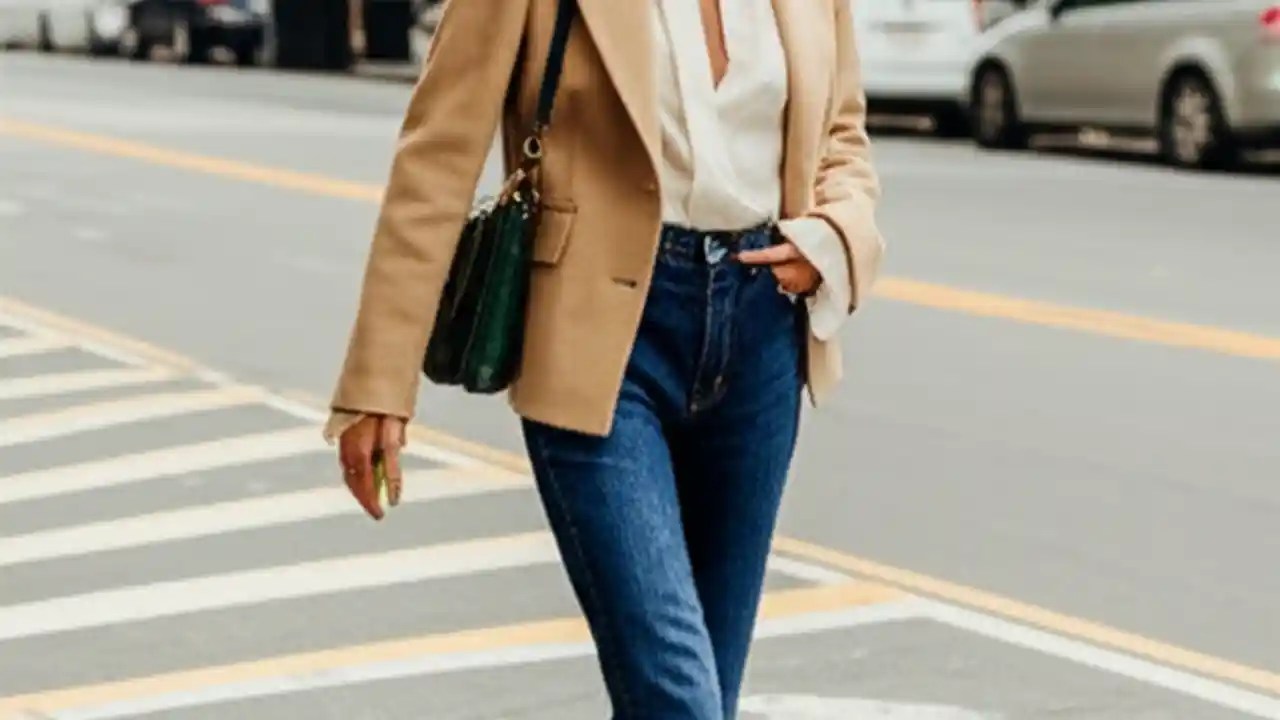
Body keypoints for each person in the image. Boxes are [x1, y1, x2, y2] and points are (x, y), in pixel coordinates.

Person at [326, 0, 883, 715]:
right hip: (600, 343)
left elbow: (841, 133)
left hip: (762, 337)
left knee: (708, 692)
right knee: (679, 699)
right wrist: (379, 380)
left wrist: (836, 232)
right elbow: (438, 156)